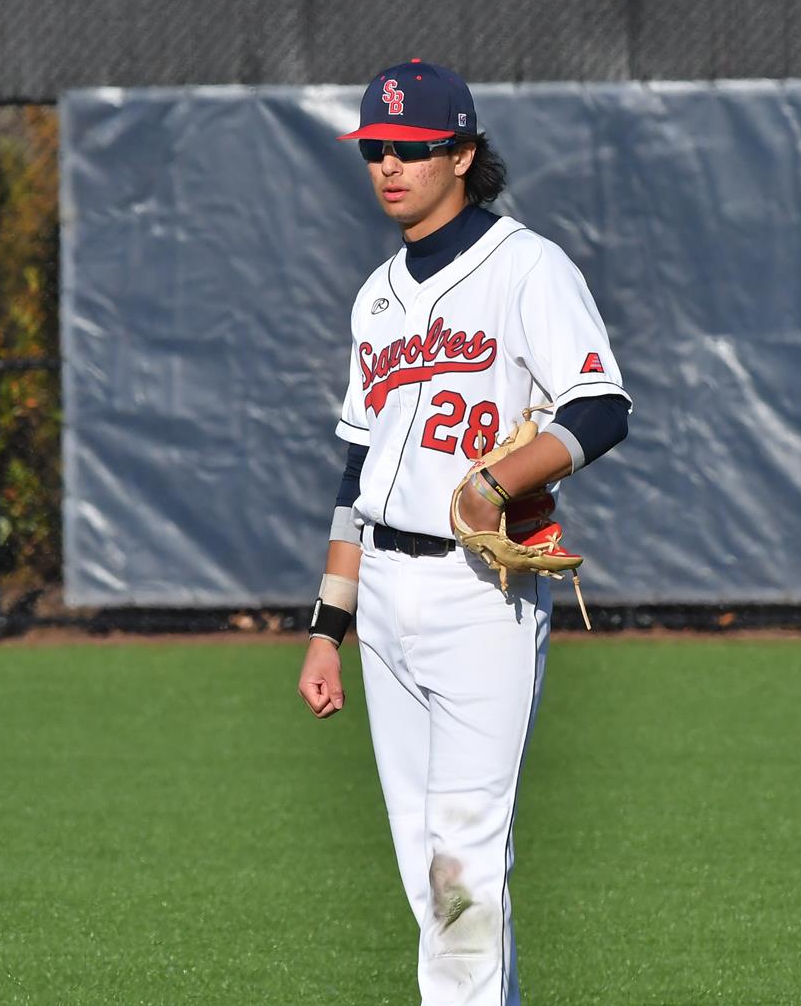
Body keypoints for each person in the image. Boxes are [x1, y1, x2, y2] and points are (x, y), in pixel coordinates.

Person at [297, 60, 631, 1004]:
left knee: (464, 864)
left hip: (480, 594)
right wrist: (328, 625)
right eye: (376, 147)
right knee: (426, 869)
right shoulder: (376, 296)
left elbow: (601, 405)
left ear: (463, 154)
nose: (389, 165)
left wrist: (494, 481)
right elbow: (356, 475)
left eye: (412, 148)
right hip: (383, 596)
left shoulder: (527, 266)